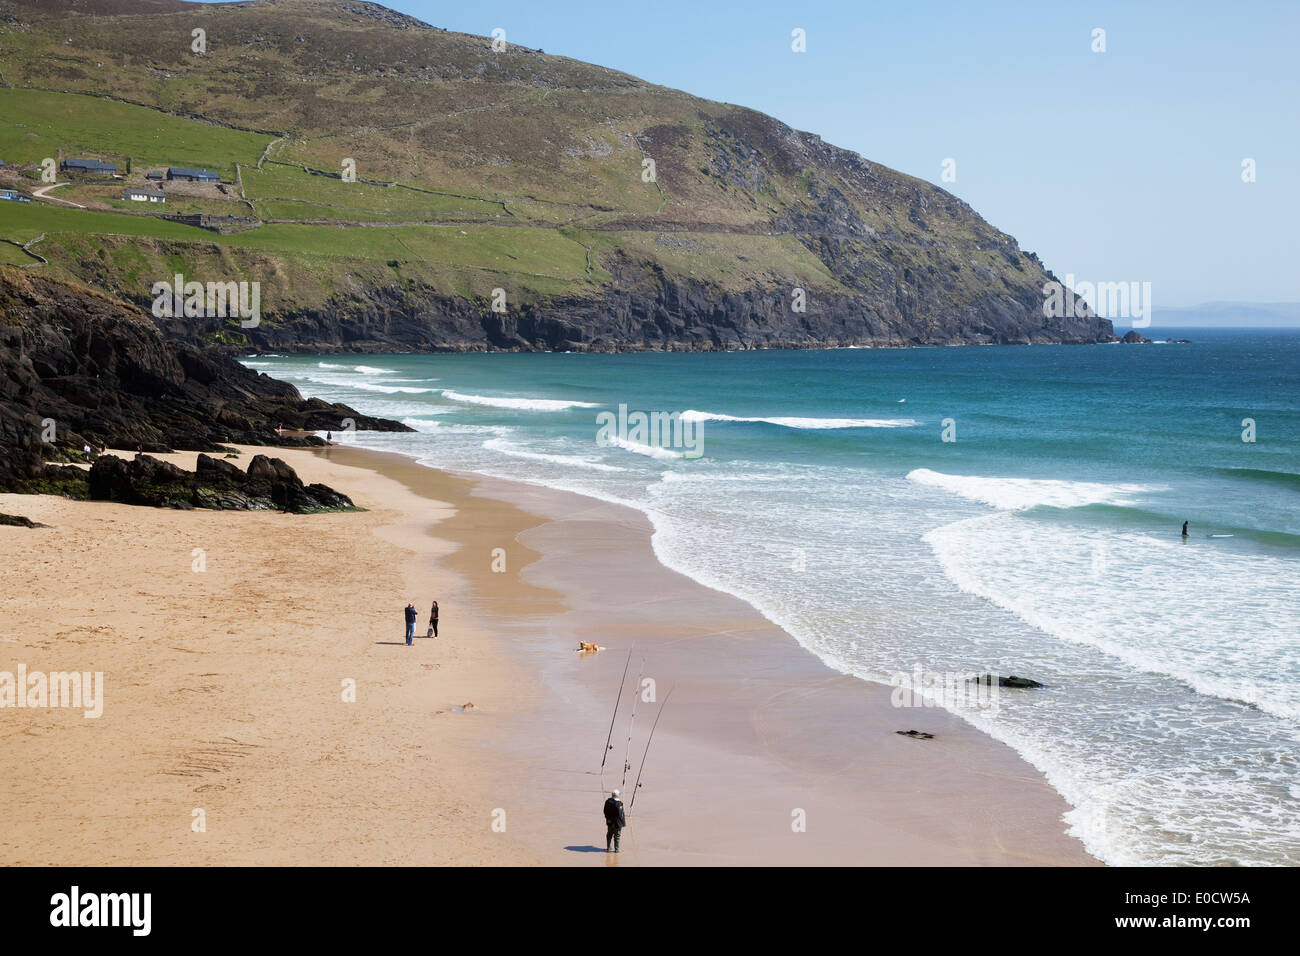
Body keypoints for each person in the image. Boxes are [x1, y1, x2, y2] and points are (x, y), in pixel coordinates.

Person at [604, 789, 626, 853]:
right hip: (617, 823)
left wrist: (608, 819)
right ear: (617, 795)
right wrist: (622, 822)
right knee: (617, 836)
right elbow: (620, 814)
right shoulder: (619, 803)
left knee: (609, 834)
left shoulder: (608, 801)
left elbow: (605, 811)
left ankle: (608, 848)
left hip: (609, 821)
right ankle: (617, 849)